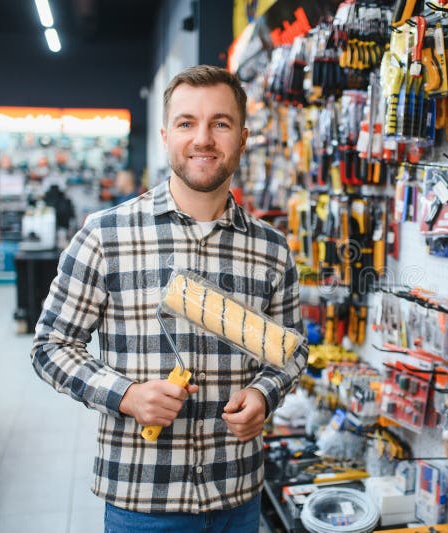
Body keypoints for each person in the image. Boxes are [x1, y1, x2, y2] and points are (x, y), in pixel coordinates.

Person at [30, 65, 307, 533]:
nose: (203, 138)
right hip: (142, 500)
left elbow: (290, 349)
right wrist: (127, 396)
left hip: (236, 496)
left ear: (242, 137)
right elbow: (50, 347)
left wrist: (264, 393)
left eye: (220, 123)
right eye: (186, 123)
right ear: (165, 135)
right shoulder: (105, 235)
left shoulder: (271, 248)